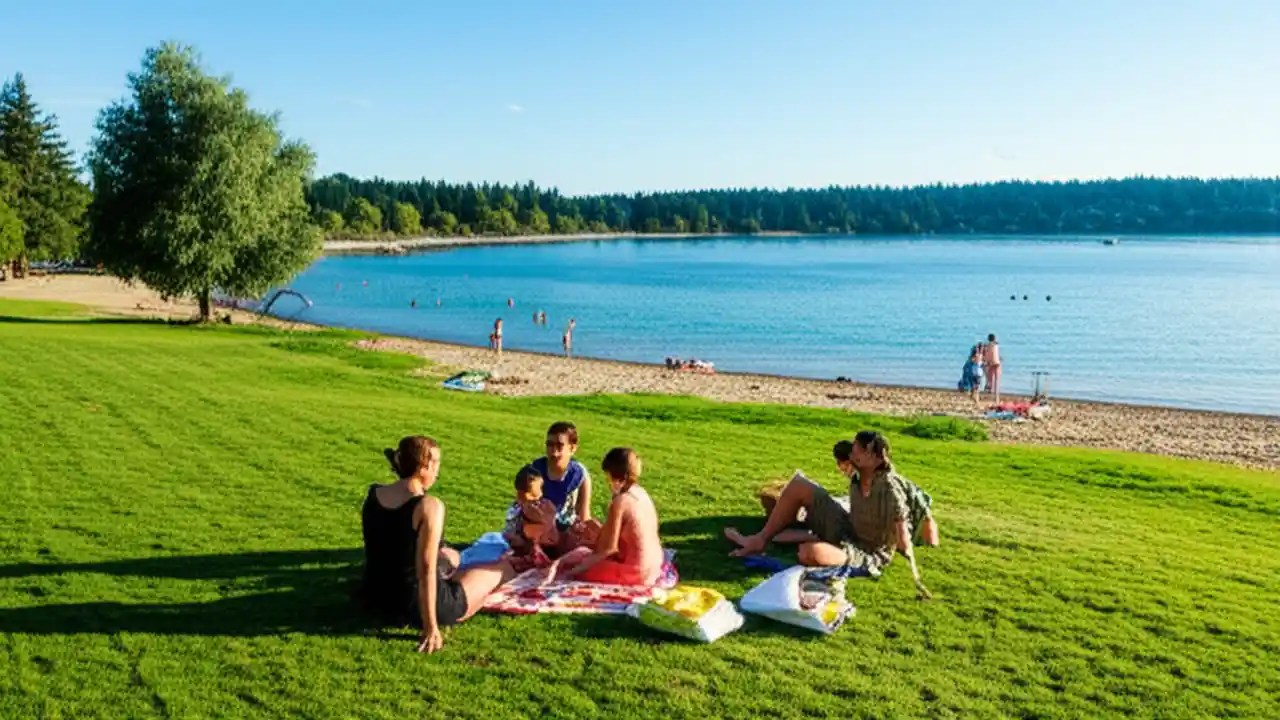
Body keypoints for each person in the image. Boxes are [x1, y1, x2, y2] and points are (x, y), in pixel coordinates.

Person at [361, 436, 517, 653]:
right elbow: (425, 570)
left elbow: (392, 544)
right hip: (416, 604)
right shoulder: (429, 506)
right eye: (436, 464)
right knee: (502, 569)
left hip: (377, 595)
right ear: (424, 466)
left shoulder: (375, 494)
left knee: (455, 562)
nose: (437, 471)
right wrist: (431, 627)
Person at [724, 431, 928, 588]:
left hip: (867, 553)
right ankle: (759, 540)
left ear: (873, 456)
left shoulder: (890, 489)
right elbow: (842, 455)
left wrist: (912, 566)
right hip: (847, 527)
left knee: (809, 553)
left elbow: (902, 532)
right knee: (799, 484)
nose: (853, 455)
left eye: (858, 451)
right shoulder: (859, 473)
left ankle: (816, 541)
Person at [550, 448, 664, 586]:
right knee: (582, 554)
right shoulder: (641, 494)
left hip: (635, 573)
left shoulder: (620, 502)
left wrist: (574, 572)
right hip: (654, 566)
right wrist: (599, 531)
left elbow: (607, 549)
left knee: (574, 563)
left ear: (613, 474)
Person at [524, 421, 594, 530]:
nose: (554, 452)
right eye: (550, 445)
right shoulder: (536, 470)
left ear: (572, 448)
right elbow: (524, 506)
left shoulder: (580, 475)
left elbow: (583, 515)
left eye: (560, 446)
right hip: (537, 530)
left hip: (567, 534)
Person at [502, 466, 560, 562]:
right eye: (532, 495)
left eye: (540, 491)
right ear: (520, 494)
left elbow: (549, 521)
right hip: (519, 542)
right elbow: (510, 529)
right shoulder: (516, 508)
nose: (537, 498)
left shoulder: (544, 505)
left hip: (541, 543)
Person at [982, 333, 1002, 403]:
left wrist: (986, 362)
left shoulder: (988, 346)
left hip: (992, 363)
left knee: (989, 378)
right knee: (996, 380)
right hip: (997, 363)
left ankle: (989, 388)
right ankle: (996, 397)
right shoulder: (996, 345)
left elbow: (988, 355)